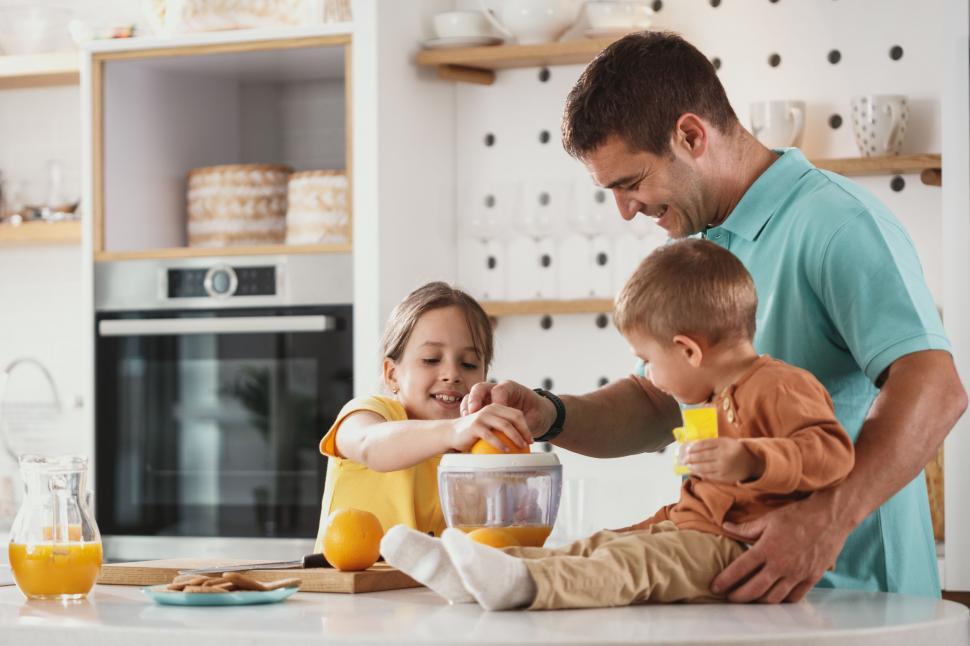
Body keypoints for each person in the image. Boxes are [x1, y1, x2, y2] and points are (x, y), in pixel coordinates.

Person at [462, 31, 967, 602]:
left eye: (631, 183)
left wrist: (826, 520)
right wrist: (549, 414)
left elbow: (936, 388)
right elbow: (659, 404)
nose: (626, 210)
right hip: (742, 597)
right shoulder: (698, 248)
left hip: (861, 600)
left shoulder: (836, 224)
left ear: (690, 135)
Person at [382, 240, 855, 610]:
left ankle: (523, 585)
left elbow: (832, 451)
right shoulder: (713, 394)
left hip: (736, 544)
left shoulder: (781, 385)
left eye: (648, 360)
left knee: (630, 566)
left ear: (688, 350)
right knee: (602, 544)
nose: (649, 376)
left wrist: (753, 459)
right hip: (694, 528)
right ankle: (476, 577)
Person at [312, 282, 530, 553]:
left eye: (469, 364)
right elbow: (370, 445)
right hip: (348, 595)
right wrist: (453, 430)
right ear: (392, 374)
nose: (452, 374)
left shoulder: (476, 453)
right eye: (430, 359)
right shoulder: (368, 414)